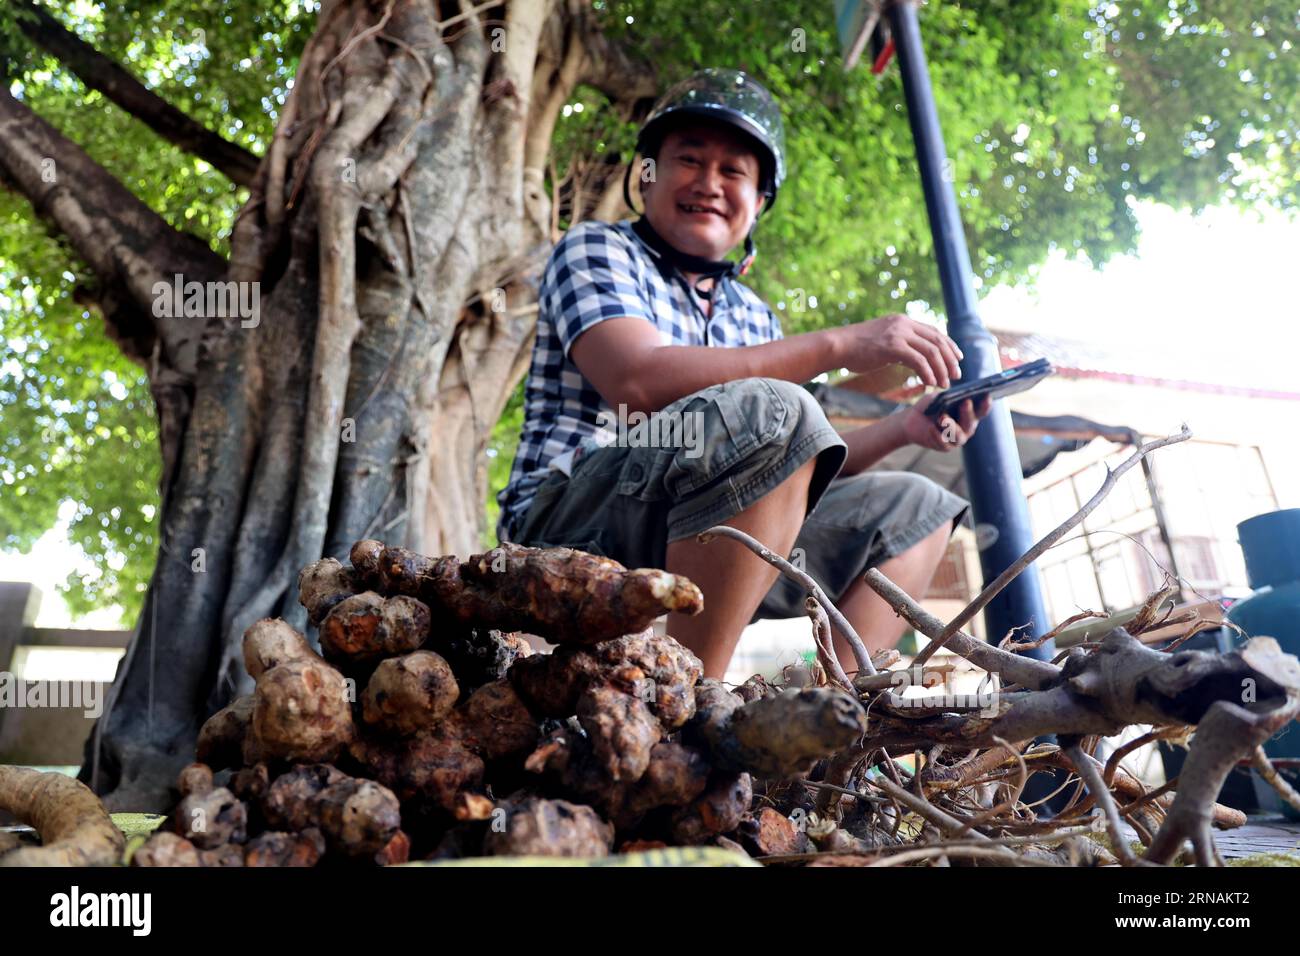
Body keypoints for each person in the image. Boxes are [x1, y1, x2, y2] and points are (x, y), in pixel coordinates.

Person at [497, 68, 991, 679]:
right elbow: (637, 382)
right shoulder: (596, 249)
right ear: (645, 175)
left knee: (918, 507)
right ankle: (699, 705)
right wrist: (841, 342)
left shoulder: (753, 315)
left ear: (758, 204)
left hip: (700, 525)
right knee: (773, 410)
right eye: (688, 160)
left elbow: (796, 460)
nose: (708, 183)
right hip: (566, 518)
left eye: (733, 172)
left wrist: (903, 429)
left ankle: (826, 723)